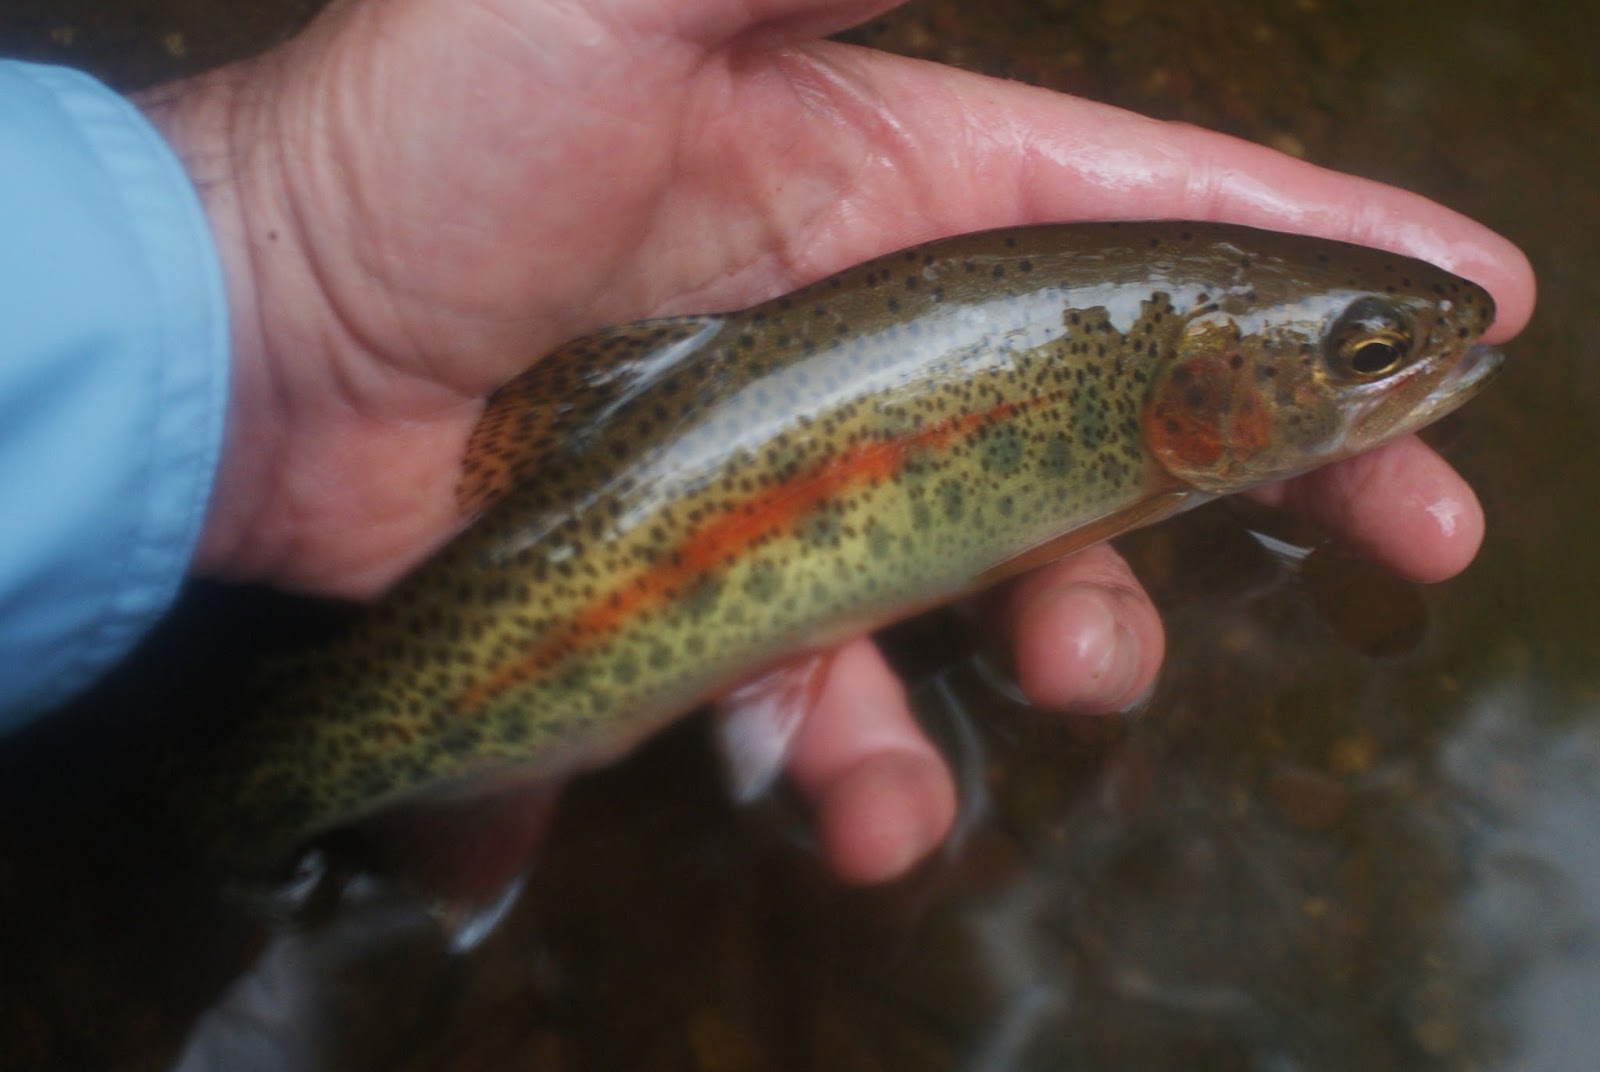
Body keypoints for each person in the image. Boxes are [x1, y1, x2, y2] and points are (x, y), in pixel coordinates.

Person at [0, 0, 1534, 885]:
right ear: (1203, 398)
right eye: (1369, 358)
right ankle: (238, 808)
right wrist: (293, 271)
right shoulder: (1146, 406)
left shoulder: (1153, 385)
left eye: (1372, 354)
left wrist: (263, 273)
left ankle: (232, 813)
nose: (1399, 367)